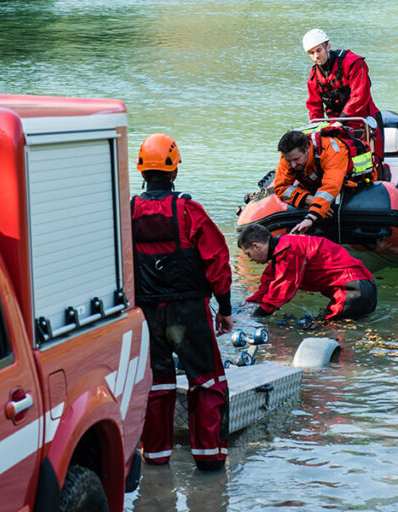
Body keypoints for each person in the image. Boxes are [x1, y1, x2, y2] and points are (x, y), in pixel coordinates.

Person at [131, 133, 233, 472]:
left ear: (142, 170)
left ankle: (155, 457)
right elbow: (217, 261)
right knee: (207, 382)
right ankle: (209, 459)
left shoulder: (127, 211)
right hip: (189, 312)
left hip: (145, 313)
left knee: (155, 385)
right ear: (174, 171)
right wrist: (225, 309)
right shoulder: (188, 210)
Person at [239, 223, 377, 321]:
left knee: (330, 333)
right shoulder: (284, 247)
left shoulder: (287, 251)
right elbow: (267, 285)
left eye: (249, 254)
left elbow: (282, 291)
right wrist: (245, 306)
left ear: (256, 246)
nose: (250, 259)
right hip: (365, 285)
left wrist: (254, 317)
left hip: (352, 291)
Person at [302, 28, 384, 166]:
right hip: (334, 124)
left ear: (328, 47)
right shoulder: (314, 76)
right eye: (311, 53)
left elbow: (360, 95)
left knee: (373, 162)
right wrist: (316, 127)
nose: (316, 56)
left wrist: (342, 120)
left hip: (363, 121)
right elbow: (314, 105)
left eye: (319, 50)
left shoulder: (353, 62)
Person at [273, 129, 375, 235]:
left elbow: (331, 186)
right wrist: (309, 199)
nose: (292, 165)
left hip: (354, 184)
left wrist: (311, 217)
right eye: (288, 161)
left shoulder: (333, 150)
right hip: (317, 183)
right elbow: (281, 187)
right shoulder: (289, 156)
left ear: (307, 148)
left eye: (296, 159)